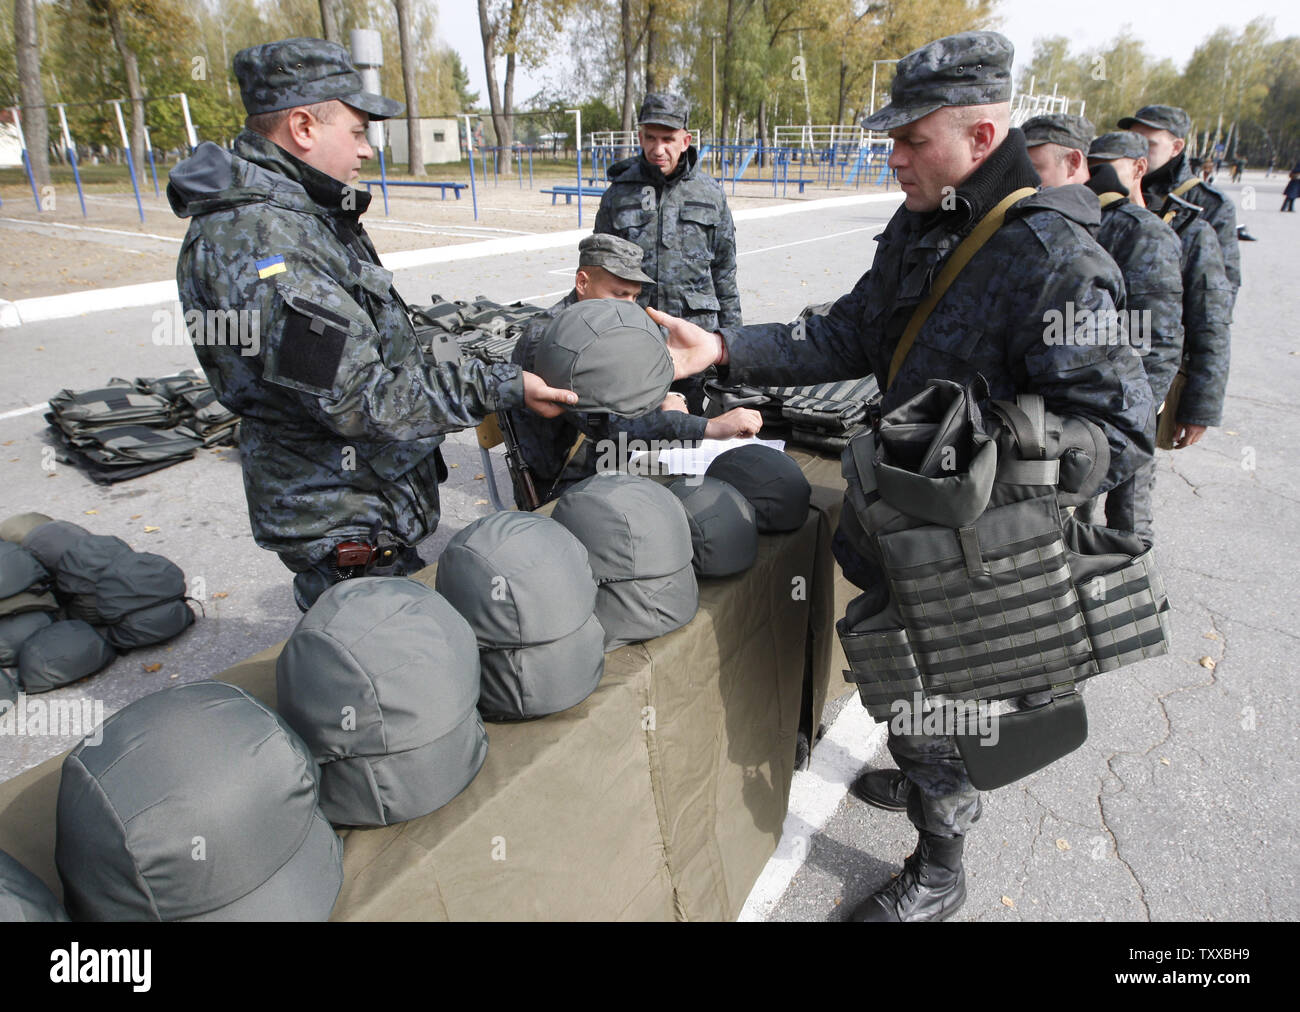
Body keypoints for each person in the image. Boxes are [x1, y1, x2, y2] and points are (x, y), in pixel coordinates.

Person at [652, 30, 1153, 923]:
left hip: (974, 556)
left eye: (911, 140)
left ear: (981, 138)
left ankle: (940, 863)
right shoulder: (928, 224)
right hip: (899, 525)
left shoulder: (1056, 260)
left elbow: (1115, 435)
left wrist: (969, 446)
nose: (893, 161)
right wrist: (723, 347)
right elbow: (848, 334)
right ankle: (927, 771)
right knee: (897, 676)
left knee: (939, 695)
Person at [167, 38, 576, 611]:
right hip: (339, 512)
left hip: (365, 498)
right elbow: (360, 399)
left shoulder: (303, 216)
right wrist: (501, 386)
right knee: (384, 673)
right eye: (357, 132)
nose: (365, 150)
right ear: (304, 126)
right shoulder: (265, 243)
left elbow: (374, 341)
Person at [504, 234, 762, 505]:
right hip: (563, 482)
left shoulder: (606, 325)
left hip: (608, 460)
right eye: (619, 294)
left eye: (635, 296)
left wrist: (668, 397)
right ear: (582, 282)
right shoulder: (549, 339)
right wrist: (706, 426)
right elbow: (607, 424)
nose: (629, 305)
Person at [1025, 120, 1183, 543]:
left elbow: (1153, 336)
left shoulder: (1141, 230)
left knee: (1128, 528)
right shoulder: (1054, 219)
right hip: (1068, 412)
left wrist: (1132, 421)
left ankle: (1134, 606)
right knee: (1070, 528)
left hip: (1123, 409)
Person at [594, 92, 741, 411]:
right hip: (633, 343)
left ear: (686, 140)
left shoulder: (709, 194)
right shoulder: (619, 194)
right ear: (640, 136)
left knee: (689, 441)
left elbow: (725, 275)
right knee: (633, 441)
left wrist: (734, 348)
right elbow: (598, 275)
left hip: (694, 344)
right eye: (650, 137)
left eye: (668, 139)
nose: (658, 149)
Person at [1120, 105, 1241, 304]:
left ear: (1176, 147)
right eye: (1132, 142)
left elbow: (1220, 289)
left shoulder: (1210, 204)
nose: (1136, 153)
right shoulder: (1111, 188)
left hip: (1170, 323)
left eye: (1149, 145)